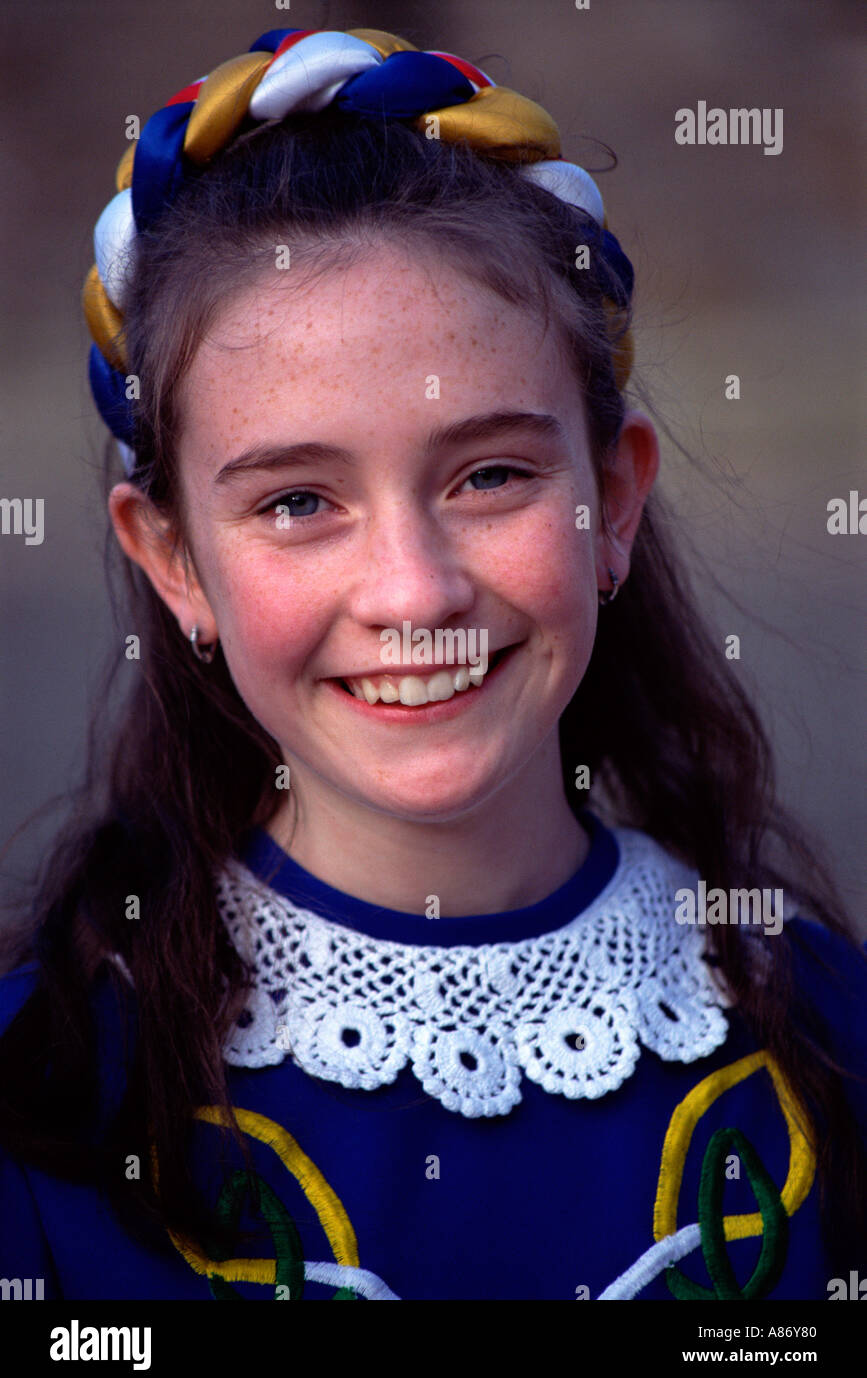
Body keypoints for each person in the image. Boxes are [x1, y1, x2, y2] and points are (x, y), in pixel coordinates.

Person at [0, 23, 864, 1302]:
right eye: (297, 502)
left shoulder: (827, 1037)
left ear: (614, 499)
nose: (414, 590)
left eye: (492, 475)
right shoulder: (48, 1104)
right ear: (172, 560)